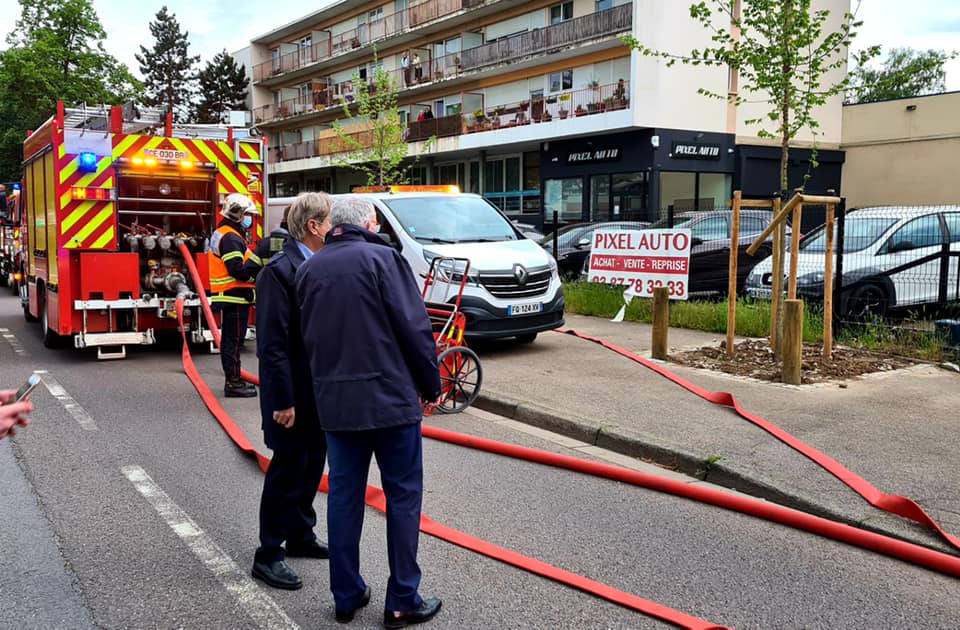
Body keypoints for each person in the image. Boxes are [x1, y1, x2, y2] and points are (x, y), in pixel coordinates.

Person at [296, 197, 443, 628]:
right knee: (402, 498)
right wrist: (430, 385)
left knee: (343, 498)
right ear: (370, 222)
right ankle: (402, 599)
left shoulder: (309, 270)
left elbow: (308, 341)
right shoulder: (385, 259)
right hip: (392, 401)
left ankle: (346, 595)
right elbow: (414, 328)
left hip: (338, 407)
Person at [252, 192, 333, 590]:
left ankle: (301, 535)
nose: (337, 227)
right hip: (292, 395)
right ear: (314, 226)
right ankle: (269, 553)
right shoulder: (279, 272)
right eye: (331, 220)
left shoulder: (319, 265)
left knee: (312, 463)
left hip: (319, 393)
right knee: (287, 470)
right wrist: (282, 399)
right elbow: (273, 344)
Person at [209, 193, 262, 397]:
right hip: (235, 296)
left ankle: (234, 380)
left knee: (232, 340)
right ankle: (233, 383)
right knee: (234, 341)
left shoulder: (226, 233)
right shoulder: (231, 237)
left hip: (231, 296)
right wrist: (256, 277)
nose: (249, 219)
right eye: (247, 214)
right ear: (239, 214)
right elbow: (236, 269)